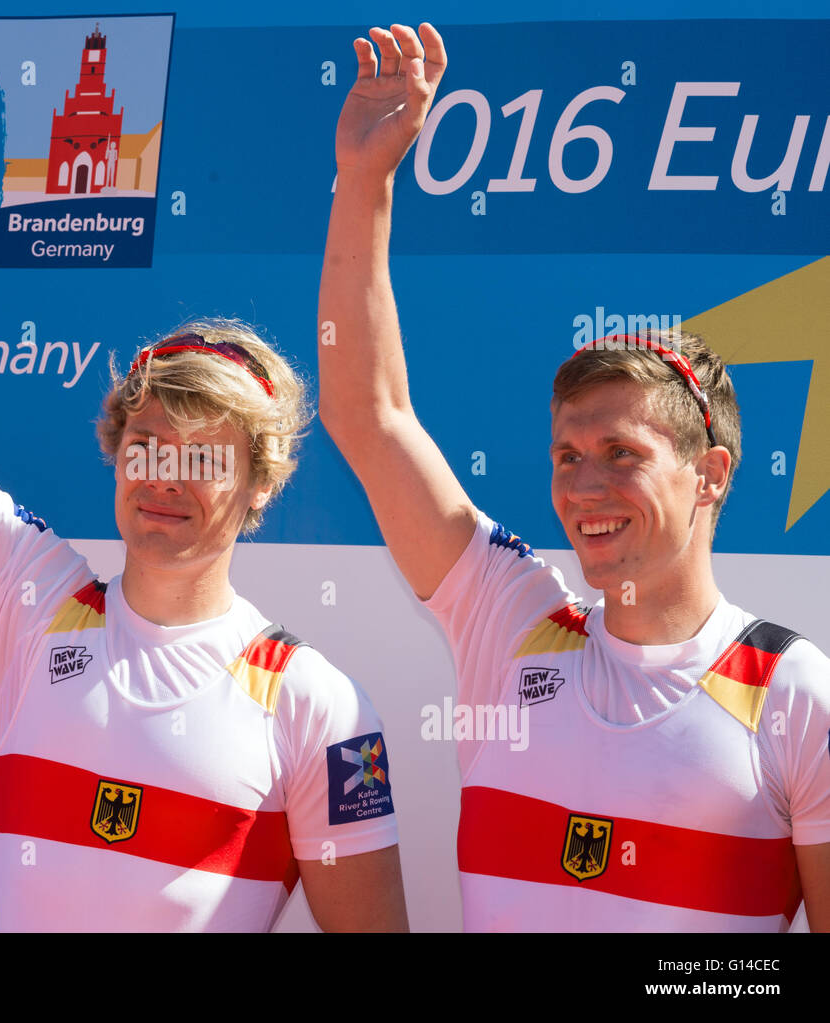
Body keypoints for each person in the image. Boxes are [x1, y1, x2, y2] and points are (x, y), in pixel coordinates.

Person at [0, 61, 405, 931]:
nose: (165, 479)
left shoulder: (324, 707)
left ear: (259, 484)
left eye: (203, 457)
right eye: (146, 446)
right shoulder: (30, 602)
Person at [318, 22, 830, 931]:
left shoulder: (794, 694)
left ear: (710, 474)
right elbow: (370, 417)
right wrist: (364, 181)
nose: (583, 486)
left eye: (623, 455)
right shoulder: (511, 622)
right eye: (566, 455)